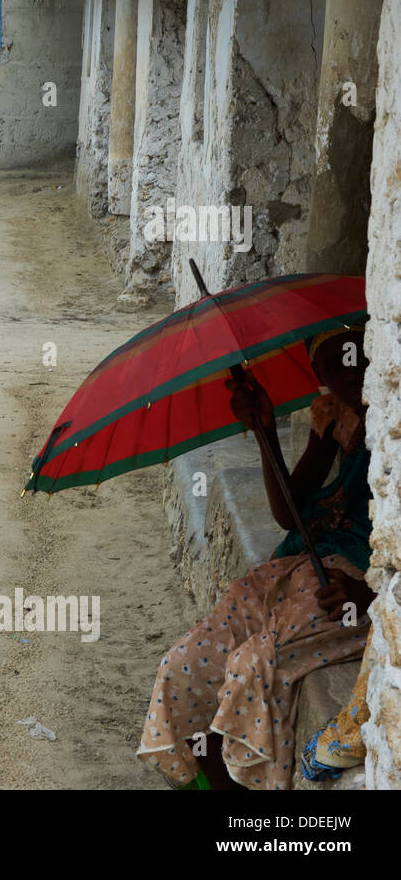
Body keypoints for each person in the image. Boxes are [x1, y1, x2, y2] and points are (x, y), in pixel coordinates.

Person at [136, 326, 374, 790]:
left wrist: (369, 593)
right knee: (181, 667)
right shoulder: (335, 415)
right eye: (333, 364)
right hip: (293, 568)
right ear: (319, 374)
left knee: (253, 668)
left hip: (345, 585)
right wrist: (264, 432)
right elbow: (289, 511)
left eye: (360, 355)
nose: (352, 370)